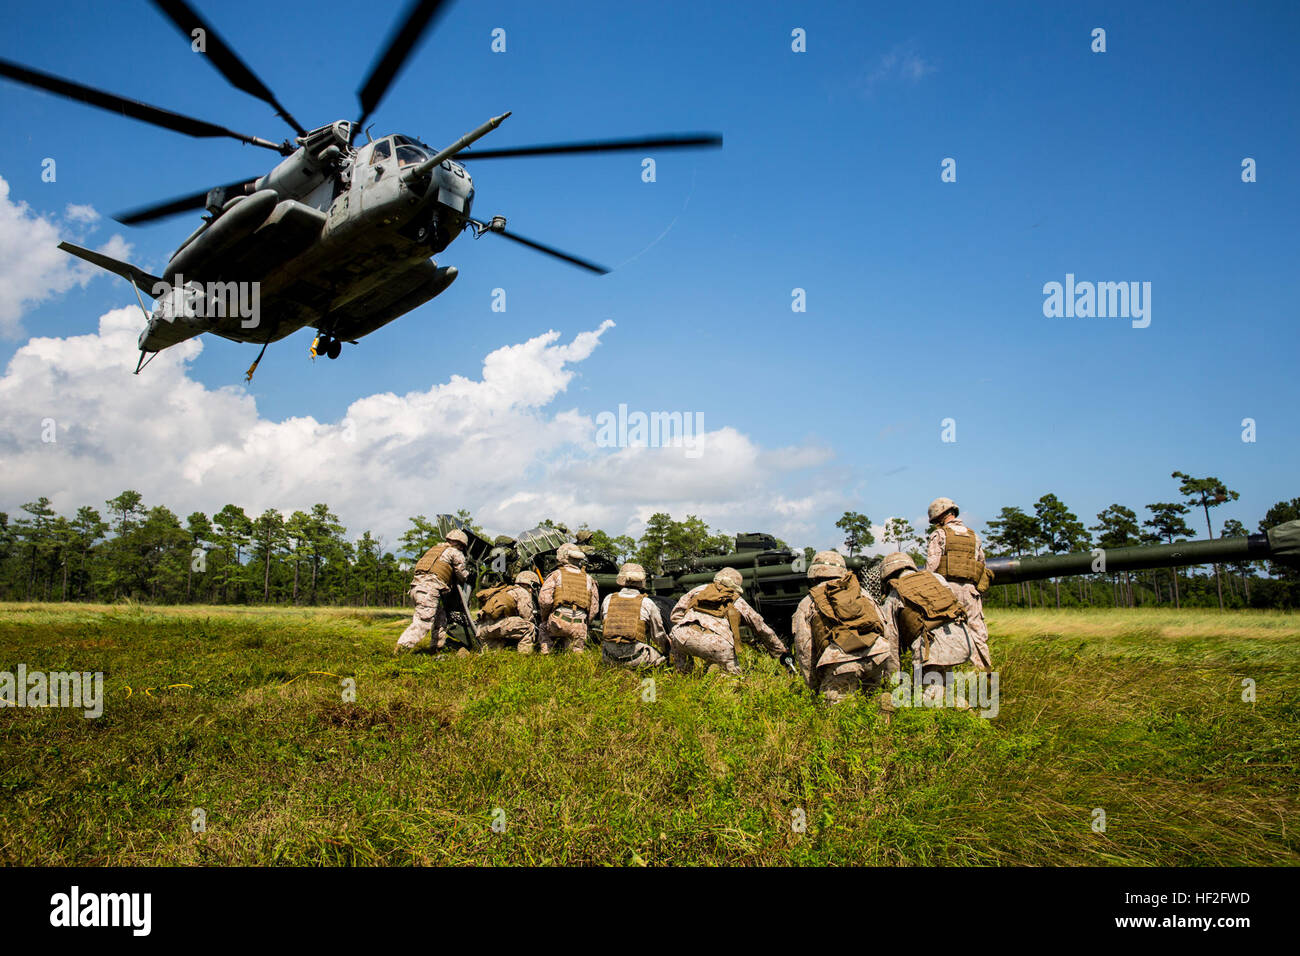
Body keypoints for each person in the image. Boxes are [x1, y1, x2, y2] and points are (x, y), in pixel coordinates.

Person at [877, 552, 988, 705]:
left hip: (931, 650)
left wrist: (893, 681)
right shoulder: (936, 578)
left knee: (928, 701)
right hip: (961, 639)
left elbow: (892, 643)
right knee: (942, 688)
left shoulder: (893, 597)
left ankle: (959, 708)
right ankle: (957, 709)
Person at [792, 551, 896, 702]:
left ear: (813, 574)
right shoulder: (862, 593)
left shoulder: (807, 603)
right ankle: (878, 705)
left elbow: (805, 649)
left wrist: (814, 687)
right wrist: (889, 673)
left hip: (840, 661)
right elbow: (883, 627)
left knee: (837, 713)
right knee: (870, 699)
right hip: (877, 653)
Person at [668, 567, 786, 675]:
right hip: (717, 644)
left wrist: (690, 631)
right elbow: (761, 629)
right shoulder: (737, 600)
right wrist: (780, 652)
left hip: (682, 636)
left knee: (678, 645)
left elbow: (675, 615)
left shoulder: (698, 590)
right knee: (734, 680)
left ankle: (683, 676)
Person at [925, 497, 993, 668]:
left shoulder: (940, 535)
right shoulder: (974, 536)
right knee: (977, 635)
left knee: (943, 633)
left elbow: (931, 568)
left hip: (948, 592)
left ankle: (943, 678)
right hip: (971, 593)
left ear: (940, 515)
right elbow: (981, 565)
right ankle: (985, 675)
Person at [396, 528, 470, 653]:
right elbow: (462, 574)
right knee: (423, 622)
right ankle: (402, 648)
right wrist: (469, 576)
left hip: (416, 588)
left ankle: (436, 647)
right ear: (459, 544)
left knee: (440, 619)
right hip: (429, 591)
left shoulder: (434, 550)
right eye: (462, 546)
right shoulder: (454, 552)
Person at [599, 563, 668, 668]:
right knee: (664, 658)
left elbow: (603, 624)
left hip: (609, 658)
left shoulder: (608, 599)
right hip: (636, 659)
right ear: (642, 581)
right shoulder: (647, 603)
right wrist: (669, 650)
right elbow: (658, 636)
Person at [538, 543, 600, 654]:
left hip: (558, 621)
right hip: (579, 624)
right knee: (576, 652)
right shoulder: (589, 579)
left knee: (543, 627)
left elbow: (545, 600)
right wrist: (585, 623)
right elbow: (594, 608)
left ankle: (546, 654)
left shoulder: (556, 574)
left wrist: (545, 617)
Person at [476, 570, 540, 653]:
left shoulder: (506, 590)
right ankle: (524, 658)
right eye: (533, 585)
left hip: (483, 629)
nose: (532, 590)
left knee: (491, 654)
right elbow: (526, 616)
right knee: (529, 627)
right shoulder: (523, 592)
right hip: (498, 626)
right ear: (525, 584)